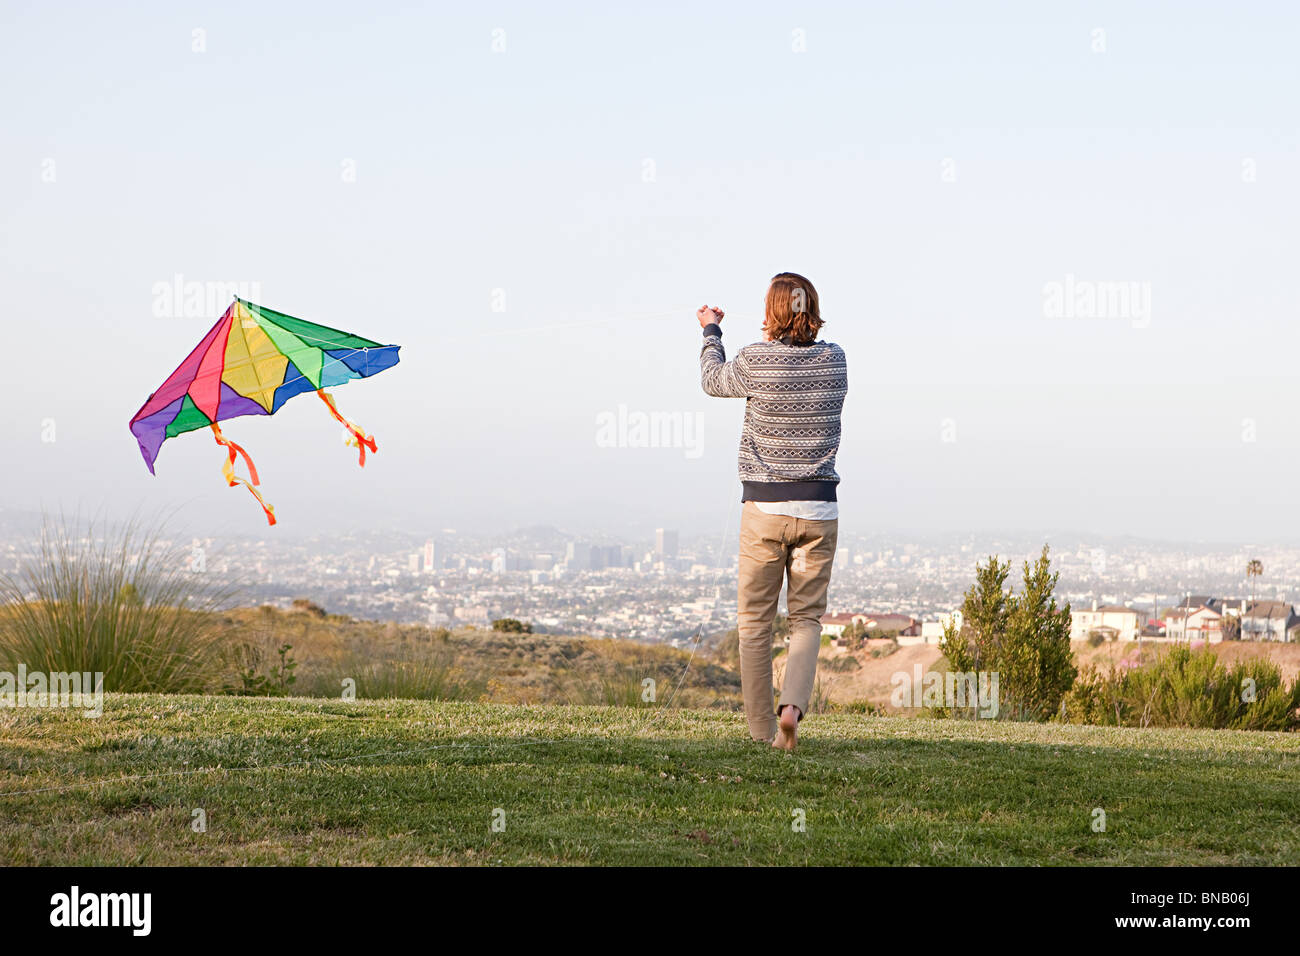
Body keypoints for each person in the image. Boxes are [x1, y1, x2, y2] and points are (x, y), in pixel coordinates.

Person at [697, 273, 848, 751]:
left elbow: (712, 381)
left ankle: (763, 731)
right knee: (805, 620)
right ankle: (792, 710)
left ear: (772, 311)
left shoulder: (757, 359)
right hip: (819, 510)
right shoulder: (835, 360)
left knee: (755, 623)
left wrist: (710, 331)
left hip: (764, 508)